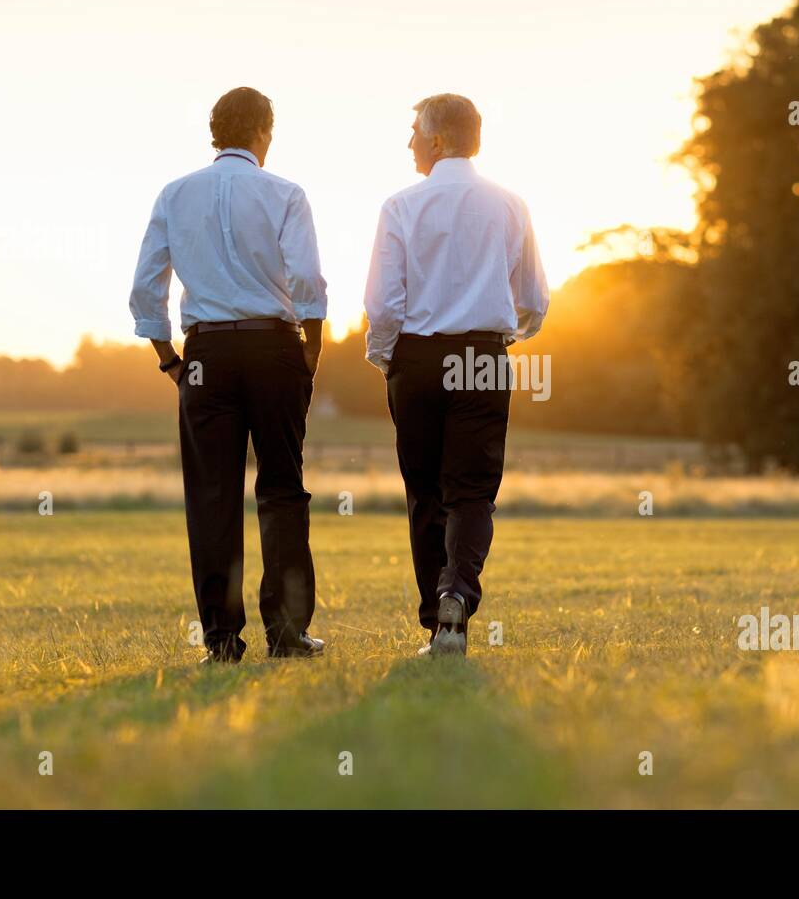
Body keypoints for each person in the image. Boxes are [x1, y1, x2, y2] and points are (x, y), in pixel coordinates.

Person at [129, 86, 327, 663]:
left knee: (213, 496)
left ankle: (220, 639)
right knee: (283, 491)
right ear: (265, 132)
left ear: (214, 132)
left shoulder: (175, 193)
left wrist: (169, 359)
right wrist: (310, 352)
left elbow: (146, 287)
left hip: (206, 356)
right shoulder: (286, 193)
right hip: (274, 349)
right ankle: (287, 634)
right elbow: (308, 280)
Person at [363, 93, 550, 657]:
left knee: (425, 493)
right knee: (472, 492)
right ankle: (457, 597)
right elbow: (535, 300)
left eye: (415, 132)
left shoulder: (400, 205)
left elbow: (384, 302)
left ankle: (436, 624)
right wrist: (499, 335)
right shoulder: (511, 205)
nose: (409, 143)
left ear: (437, 139)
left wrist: (384, 356)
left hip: (416, 358)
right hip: (482, 358)